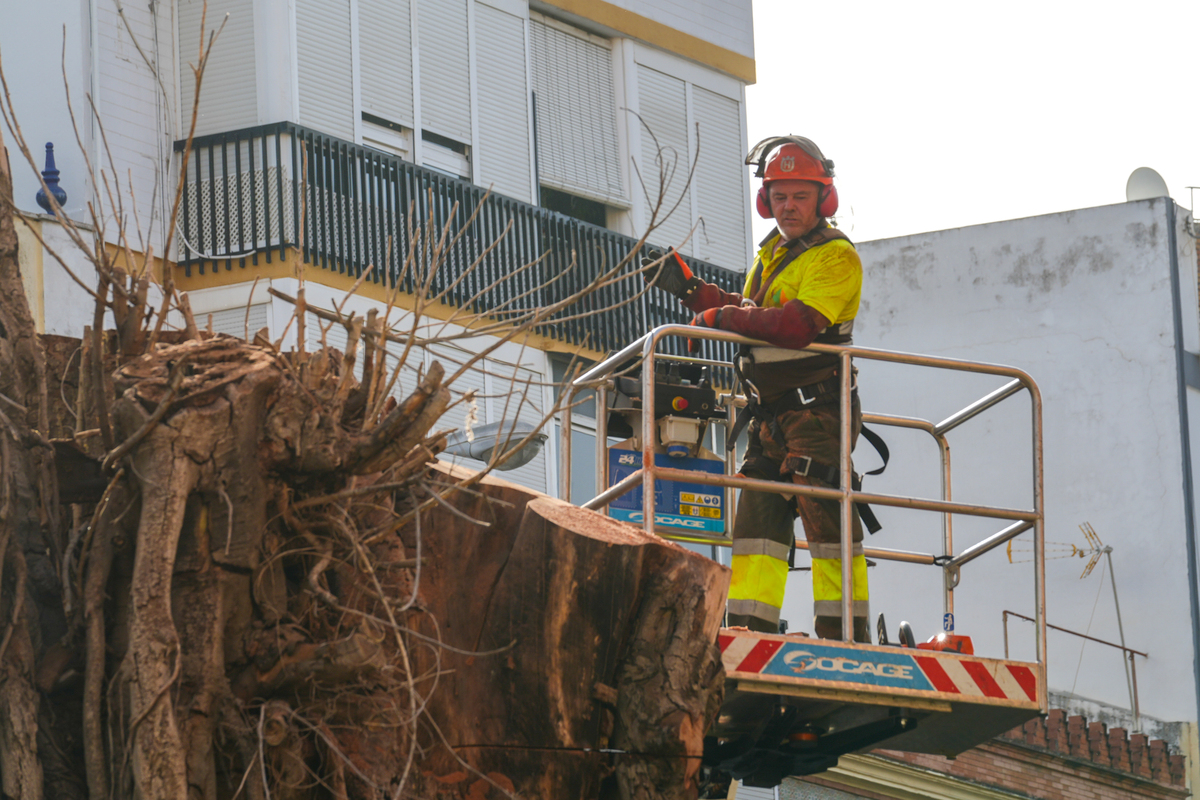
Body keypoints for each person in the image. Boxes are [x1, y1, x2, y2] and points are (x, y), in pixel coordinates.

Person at [644, 136, 873, 642]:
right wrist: (695, 293)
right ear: (765, 201)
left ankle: (845, 636)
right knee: (756, 523)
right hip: (771, 416)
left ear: (824, 200)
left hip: (817, 414)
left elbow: (796, 326)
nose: (788, 207)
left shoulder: (836, 258)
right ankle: (748, 632)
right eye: (780, 197)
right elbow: (753, 311)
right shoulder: (772, 254)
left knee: (827, 522)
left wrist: (721, 314)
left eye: (800, 197)